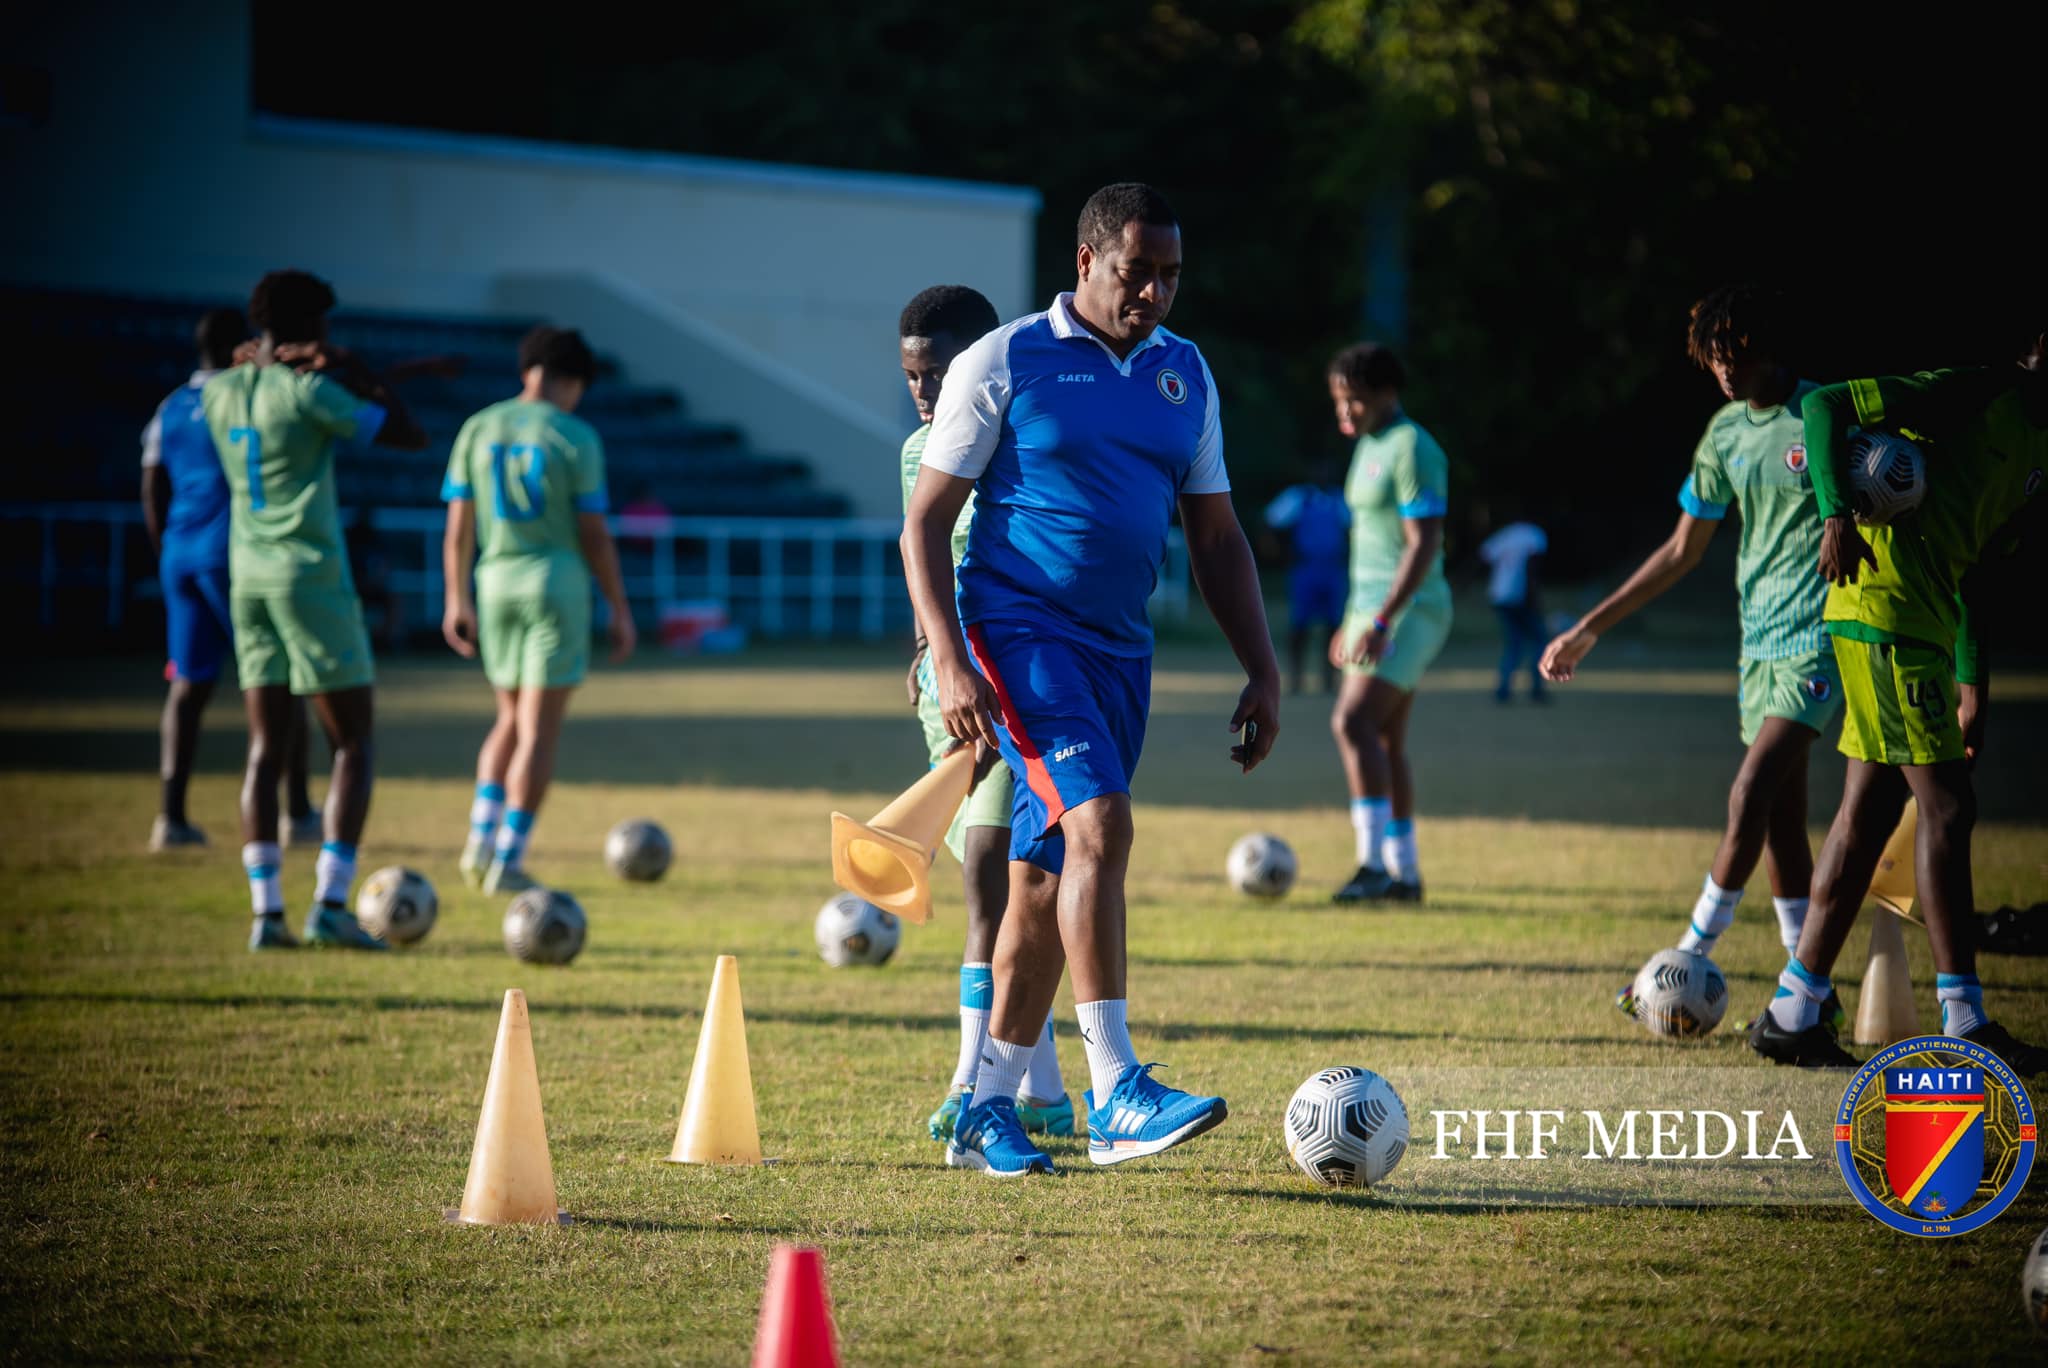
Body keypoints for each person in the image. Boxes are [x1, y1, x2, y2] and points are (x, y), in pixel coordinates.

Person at [903, 182, 1280, 1178]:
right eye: (1134, 271)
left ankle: (986, 1108)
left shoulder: (1184, 373)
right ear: (1085, 262)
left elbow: (1217, 537)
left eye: (1170, 276)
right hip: (1021, 635)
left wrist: (1263, 667)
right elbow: (923, 525)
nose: (1153, 292)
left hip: (1120, 653)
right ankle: (1115, 1089)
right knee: (1101, 828)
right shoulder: (1005, 359)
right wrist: (949, 659)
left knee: (1039, 880)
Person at [1540, 285, 1844, 1028]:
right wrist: (1589, 627)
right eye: (1713, 359)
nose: (1725, 370)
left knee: (1748, 793)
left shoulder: (1826, 413)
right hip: (1759, 640)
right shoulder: (1725, 432)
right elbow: (1682, 550)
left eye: (1735, 354)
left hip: (1822, 638)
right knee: (1780, 819)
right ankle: (1811, 992)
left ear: (1766, 345)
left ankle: (1684, 955)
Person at [1749, 325, 2048, 1072]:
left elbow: (1979, 570)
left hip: (1915, 627)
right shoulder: (1974, 391)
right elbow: (1824, 407)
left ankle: (1792, 1011)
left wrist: (1973, 684)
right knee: (1947, 808)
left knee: (1871, 812)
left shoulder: (2038, 454)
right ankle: (1965, 1021)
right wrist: (1836, 513)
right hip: (1885, 613)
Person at [896, 284, 1074, 1146]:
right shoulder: (916, 452)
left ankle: (973, 1080)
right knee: (994, 891)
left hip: (1014, 682)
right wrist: (926, 648)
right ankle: (1045, 1092)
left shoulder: (1022, 438)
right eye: (910, 375)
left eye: (936, 373)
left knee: (990, 883)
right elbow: (926, 548)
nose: (924, 391)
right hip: (952, 689)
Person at [203, 269, 427, 950]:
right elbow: (405, 433)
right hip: (310, 576)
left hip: (247, 577)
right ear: (312, 328)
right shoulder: (308, 391)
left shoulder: (218, 391)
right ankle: (330, 904)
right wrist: (351, 367)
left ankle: (266, 915)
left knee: (264, 748)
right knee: (352, 742)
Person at [443, 325, 634, 894]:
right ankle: (509, 858)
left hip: (494, 582)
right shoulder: (574, 435)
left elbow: (458, 528)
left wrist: (456, 598)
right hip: (554, 585)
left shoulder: (478, 427)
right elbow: (594, 534)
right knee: (537, 731)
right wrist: (619, 607)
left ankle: (479, 843)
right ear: (573, 382)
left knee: (507, 719)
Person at [141, 308, 320, 850]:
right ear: (238, 346)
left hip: (179, 553)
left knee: (187, 686)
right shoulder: (240, 397)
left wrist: (167, 550)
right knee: (281, 680)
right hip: (233, 553)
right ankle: (297, 813)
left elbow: (152, 487)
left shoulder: (170, 406)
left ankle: (171, 819)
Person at [1326, 343, 1453, 904]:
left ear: (1386, 393)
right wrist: (1351, 619)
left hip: (1411, 610)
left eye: (1354, 400)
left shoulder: (1413, 447)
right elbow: (1371, 546)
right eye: (1338, 400)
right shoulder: (1368, 445)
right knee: (1384, 740)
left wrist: (1380, 620)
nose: (1345, 411)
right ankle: (1405, 874)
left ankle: (1372, 865)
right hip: (1370, 610)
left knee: (1352, 722)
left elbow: (1421, 545)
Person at [1263, 464, 1350, 695]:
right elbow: (1270, 521)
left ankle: (1329, 678)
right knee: (1300, 625)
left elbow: (1355, 528)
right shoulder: (1297, 498)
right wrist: (1278, 553)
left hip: (1332, 569)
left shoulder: (1340, 500)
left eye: (1326, 468)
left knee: (1333, 626)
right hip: (1305, 569)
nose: (1323, 473)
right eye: (1318, 468)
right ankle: (1296, 677)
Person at [1478, 517, 1548, 703]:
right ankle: (1536, 688)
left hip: (1499, 595)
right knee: (1539, 640)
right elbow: (1531, 568)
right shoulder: (1535, 535)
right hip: (1520, 595)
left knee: (1514, 643)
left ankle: (1503, 689)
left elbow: (1484, 556)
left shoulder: (1506, 534)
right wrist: (1534, 599)